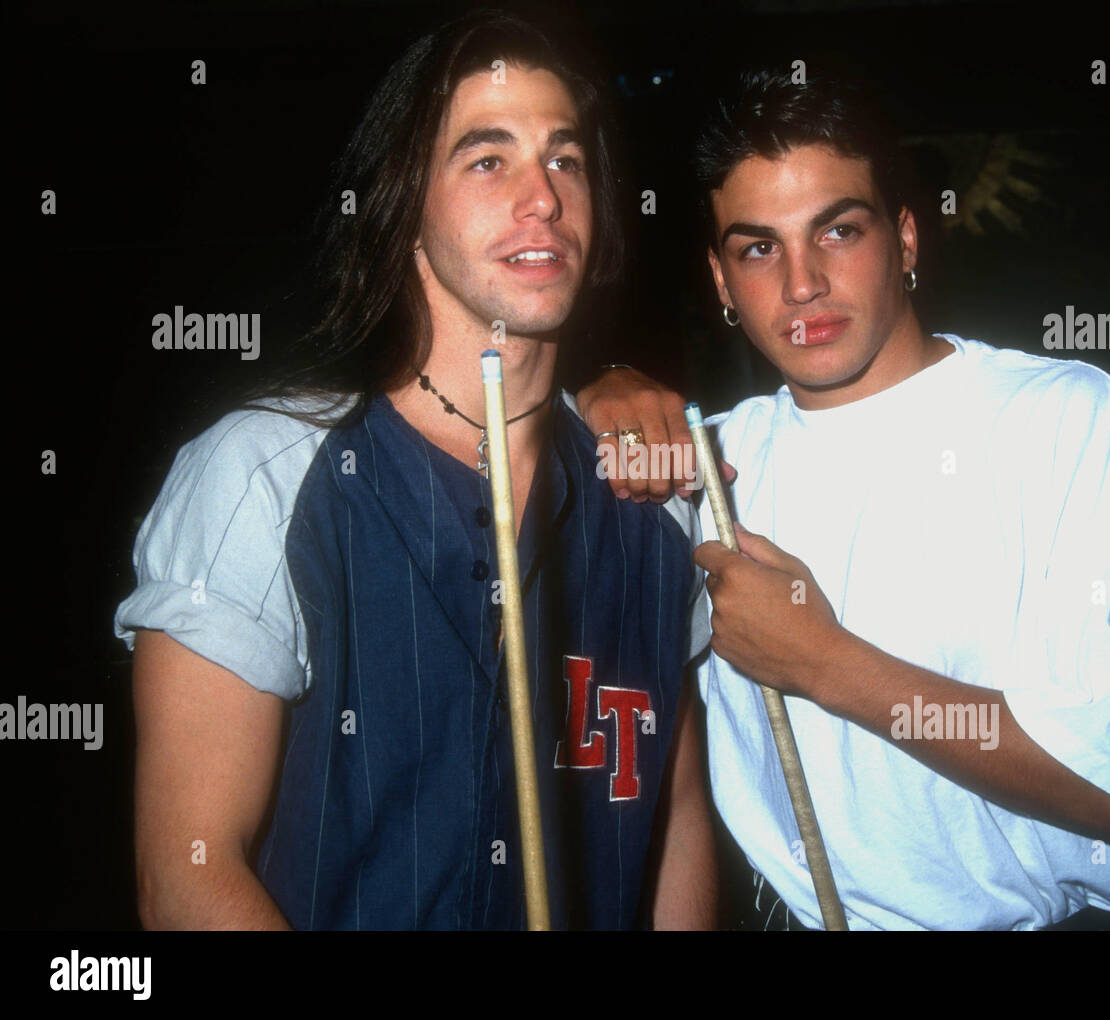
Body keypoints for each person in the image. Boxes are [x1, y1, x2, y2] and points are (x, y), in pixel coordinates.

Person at [114, 9, 717, 931]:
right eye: (488, 158)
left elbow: (674, 823)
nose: (543, 197)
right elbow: (188, 874)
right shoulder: (262, 477)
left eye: (565, 158)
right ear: (402, 209)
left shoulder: (657, 499)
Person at [680, 68, 1110, 930]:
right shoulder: (709, 458)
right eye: (759, 248)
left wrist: (822, 660)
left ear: (907, 239)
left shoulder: (1058, 419)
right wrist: (608, 384)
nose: (801, 284)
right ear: (723, 282)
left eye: (838, 231)